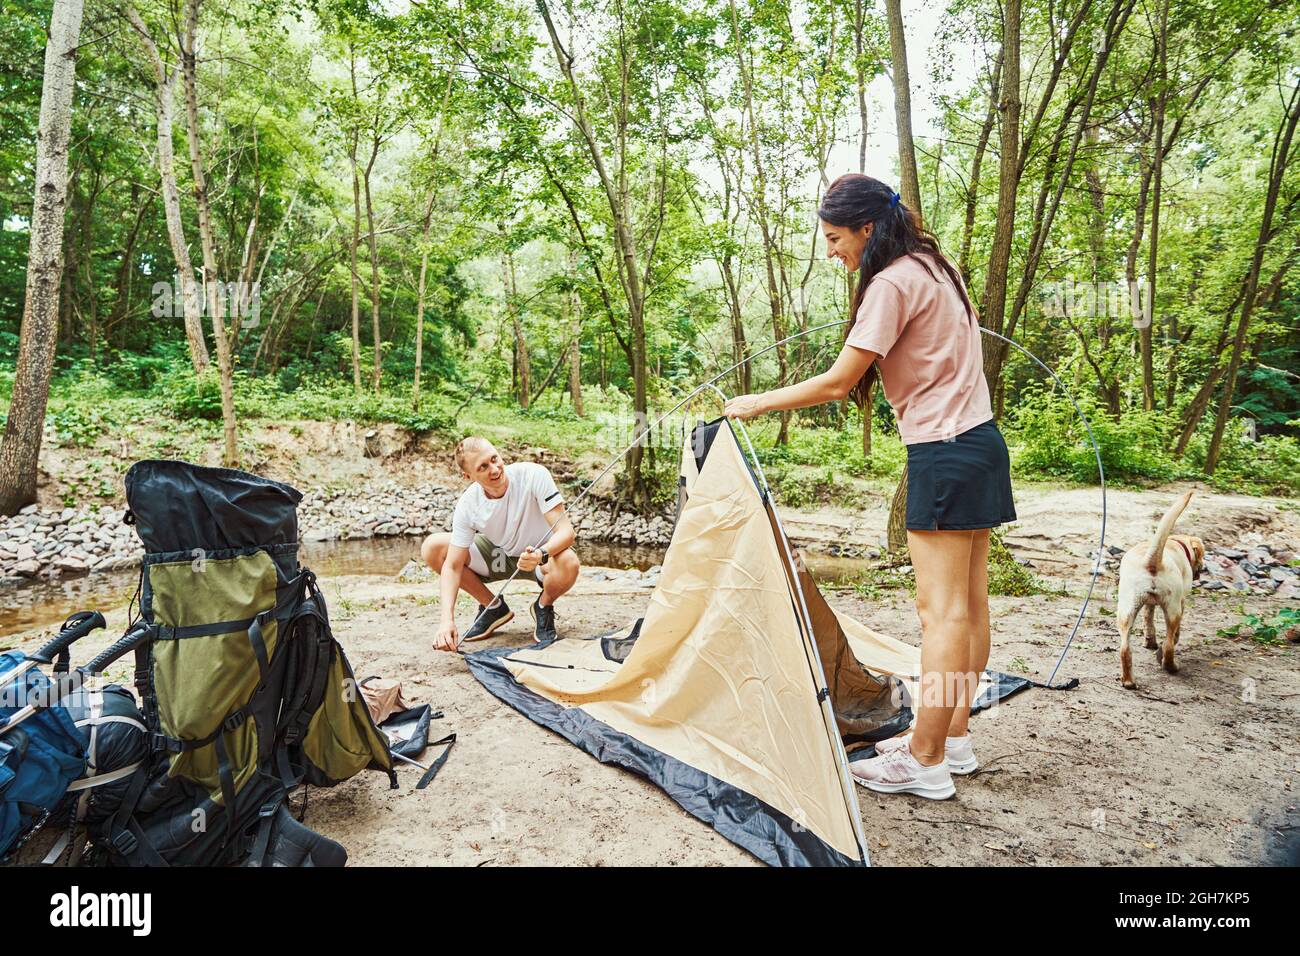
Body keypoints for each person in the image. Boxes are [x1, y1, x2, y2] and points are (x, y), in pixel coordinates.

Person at [724, 173, 1015, 801]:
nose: (831, 251)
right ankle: (953, 737)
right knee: (967, 607)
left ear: (866, 228)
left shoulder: (890, 282)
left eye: (834, 238)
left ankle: (926, 758)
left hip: (942, 452)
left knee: (940, 614)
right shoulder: (937, 266)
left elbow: (836, 382)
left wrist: (756, 403)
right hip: (981, 445)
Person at [424, 437, 580, 650]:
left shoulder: (534, 474)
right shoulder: (468, 504)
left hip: (540, 557)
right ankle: (493, 607)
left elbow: (566, 533)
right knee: (433, 548)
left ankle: (543, 606)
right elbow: (452, 566)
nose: (495, 469)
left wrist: (541, 554)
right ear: (468, 476)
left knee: (570, 562)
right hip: (499, 555)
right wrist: (446, 621)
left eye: (495, 459)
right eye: (483, 467)